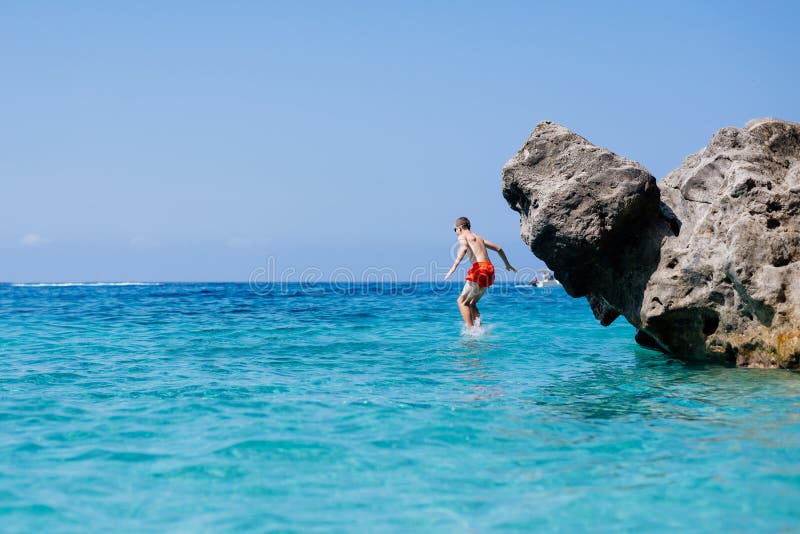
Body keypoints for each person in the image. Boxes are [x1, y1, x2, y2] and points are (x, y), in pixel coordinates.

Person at [444, 217, 517, 328]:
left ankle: (471, 332)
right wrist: (507, 264)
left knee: (461, 302)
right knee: (472, 303)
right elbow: (499, 248)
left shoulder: (463, 236)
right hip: (490, 271)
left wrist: (453, 267)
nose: (456, 233)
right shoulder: (479, 238)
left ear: (459, 228)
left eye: (455, 230)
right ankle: (479, 330)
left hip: (480, 269)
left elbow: (463, 248)